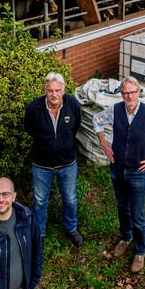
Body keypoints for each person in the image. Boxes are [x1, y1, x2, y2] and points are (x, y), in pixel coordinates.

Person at [93, 76, 145, 274]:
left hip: (138, 172)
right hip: (117, 169)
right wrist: (104, 144)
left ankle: (140, 251)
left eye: (133, 92)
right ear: (121, 94)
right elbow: (96, 120)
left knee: (138, 214)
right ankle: (126, 237)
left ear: (139, 92)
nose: (129, 96)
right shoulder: (115, 110)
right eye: (125, 93)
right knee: (122, 206)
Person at [23, 72, 84, 247]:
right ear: (45, 90)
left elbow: (76, 126)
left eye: (57, 90)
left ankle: (71, 228)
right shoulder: (34, 108)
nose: (54, 94)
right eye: (50, 91)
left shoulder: (72, 104)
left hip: (67, 163)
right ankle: (39, 232)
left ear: (64, 90)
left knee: (70, 199)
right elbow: (30, 129)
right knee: (40, 200)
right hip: (42, 164)